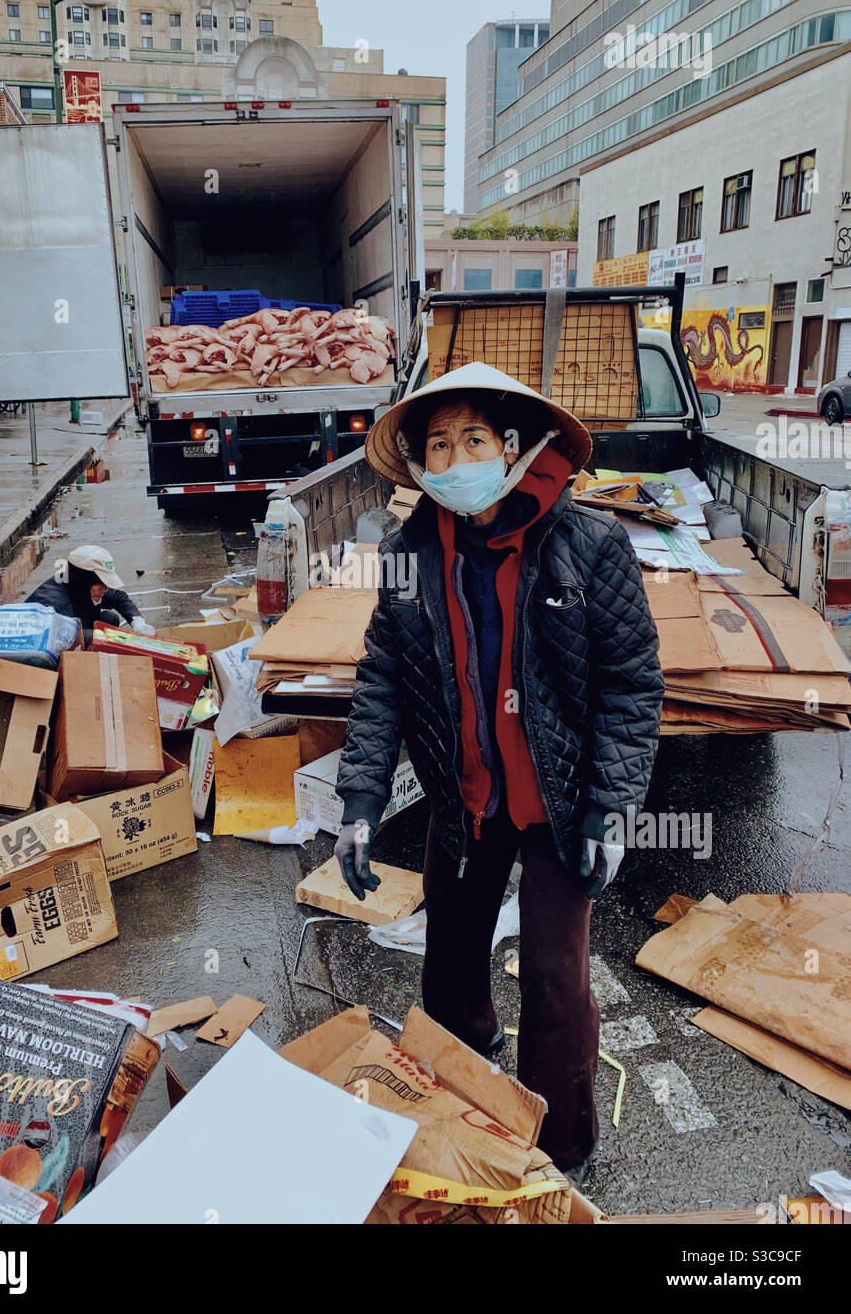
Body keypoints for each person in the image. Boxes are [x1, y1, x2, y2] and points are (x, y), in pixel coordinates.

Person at [333, 361, 664, 1176]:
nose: (454, 461)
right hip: (465, 801)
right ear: (417, 465)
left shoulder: (589, 545)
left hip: (560, 804)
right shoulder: (410, 551)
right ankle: (472, 1092)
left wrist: (611, 810)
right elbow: (382, 678)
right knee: (447, 974)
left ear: (512, 447)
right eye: (436, 445)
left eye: (473, 439)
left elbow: (630, 684)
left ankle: (560, 1153)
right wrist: (360, 799)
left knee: (555, 986)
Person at [27, 545, 155, 645]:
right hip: (41, 652)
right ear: (84, 581)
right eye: (101, 585)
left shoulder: (80, 585)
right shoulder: (55, 607)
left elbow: (118, 597)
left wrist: (137, 621)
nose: (105, 589)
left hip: (74, 626)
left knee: (109, 619)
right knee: (91, 637)